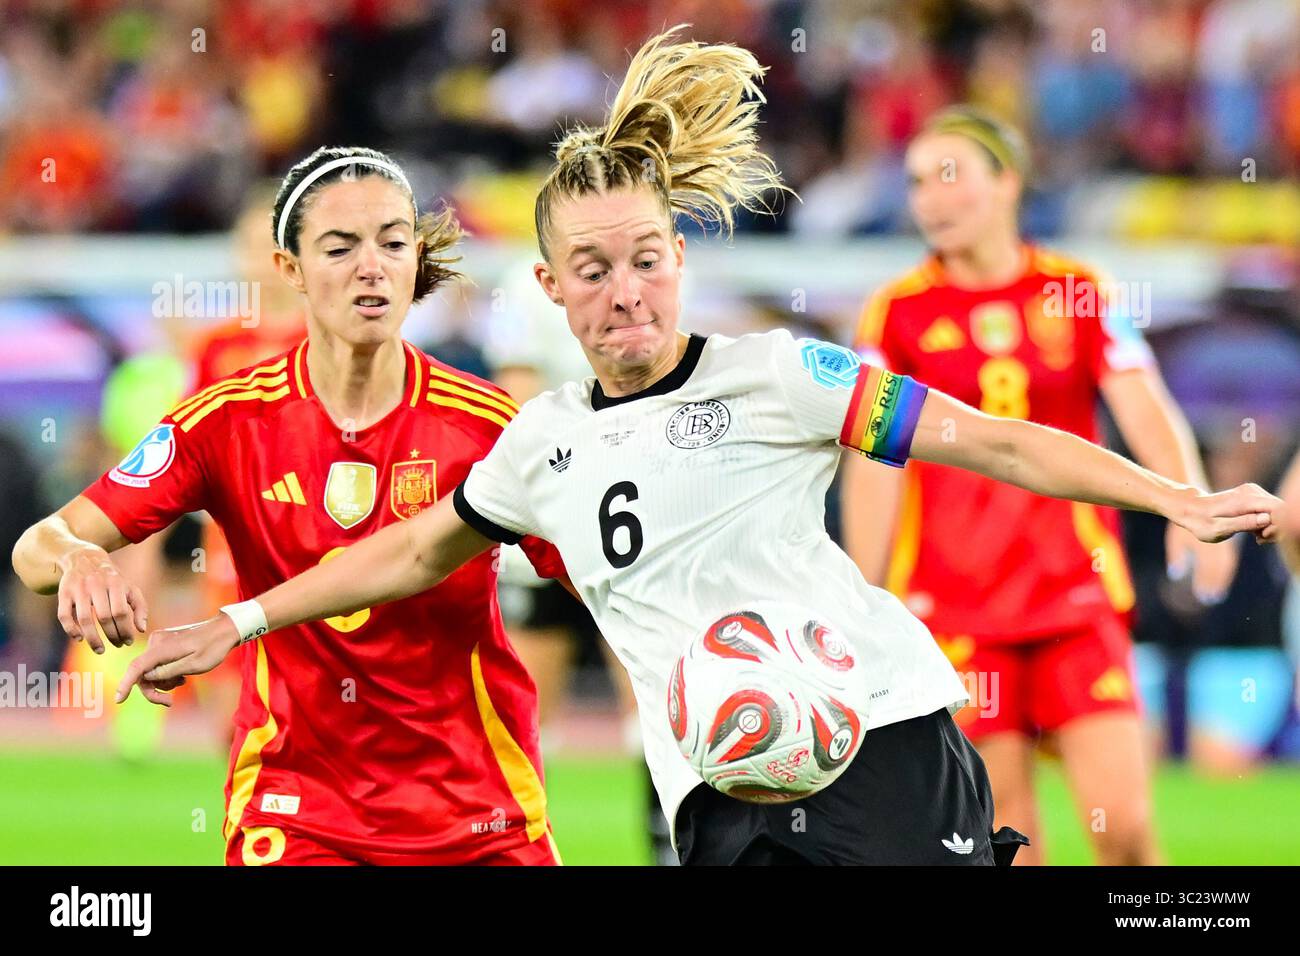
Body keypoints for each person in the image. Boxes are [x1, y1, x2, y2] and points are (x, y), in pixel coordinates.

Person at [112, 29, 1283, 866]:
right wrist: (241, 619)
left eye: (644, 259)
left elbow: (992, 443)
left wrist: (1169, 496)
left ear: (679, 257)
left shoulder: (780, 373)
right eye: (591, 269)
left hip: (873, 731)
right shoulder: (542, 447)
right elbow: (412, 550)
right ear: (550, 288)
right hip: (716, 793)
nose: (623, 292)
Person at [12, 145, 567, 866]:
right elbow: (38, 547)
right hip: (296, 815)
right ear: (288, 269)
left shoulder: (491, 427)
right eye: (340, 247)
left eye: (394, 243)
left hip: (479, 817)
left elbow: (603, 573)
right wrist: (81, 554)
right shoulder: (226, 419)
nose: (373, 265)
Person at [840, 107, 1237, 865]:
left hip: (1073, 593)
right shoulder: (896, 313)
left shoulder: (1078, 291)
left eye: (948, 174)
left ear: (1006, 182)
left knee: (1120, 825)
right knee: (1010, 840)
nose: (929, 198)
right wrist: (865, 590)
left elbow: (1144, 408)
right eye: (917, 182)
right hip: (955, 605)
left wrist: (1195, 513)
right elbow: (873, 462)